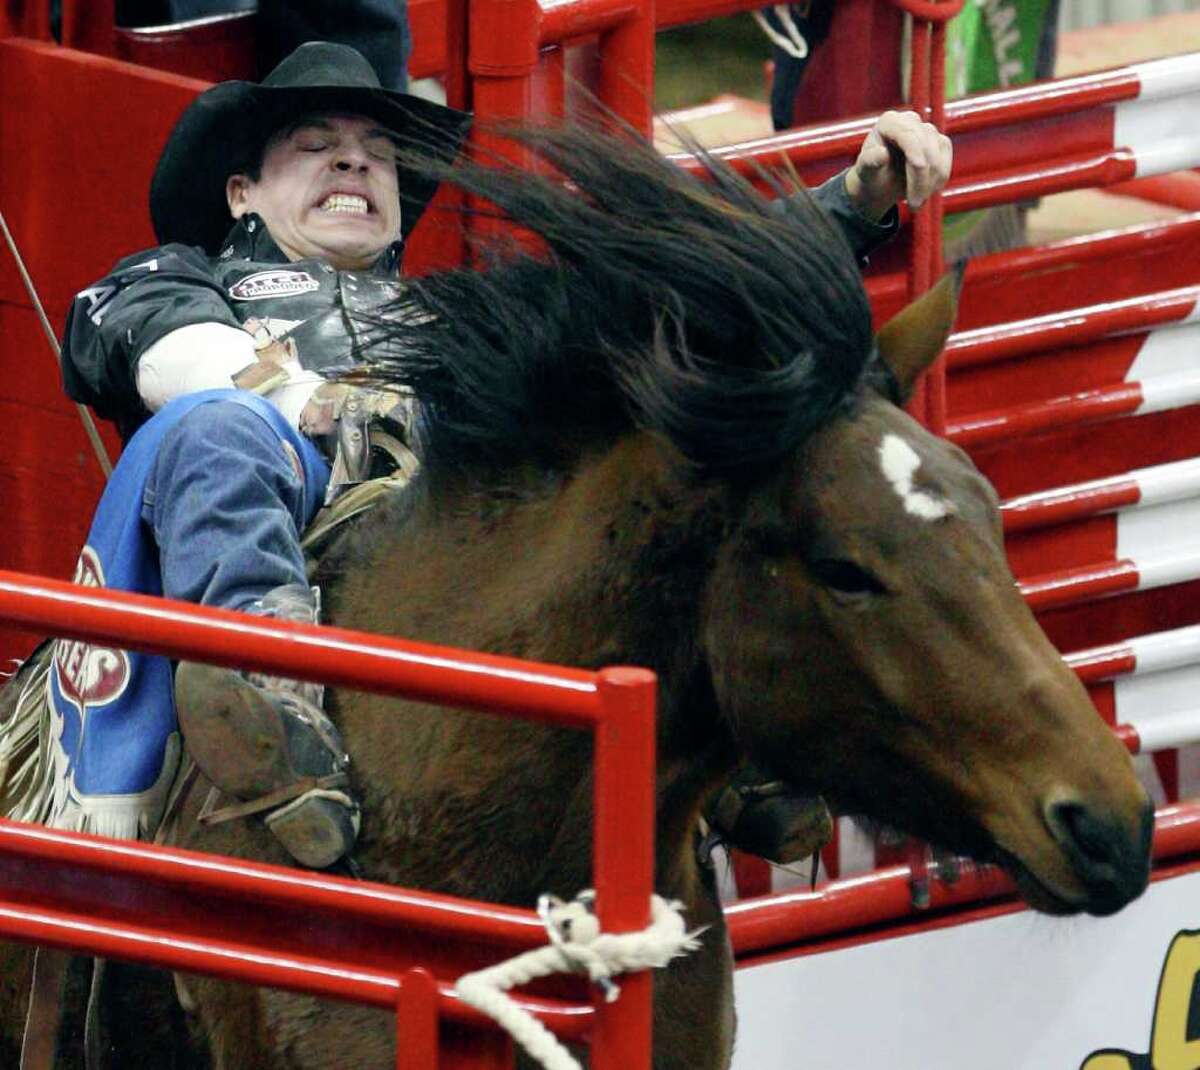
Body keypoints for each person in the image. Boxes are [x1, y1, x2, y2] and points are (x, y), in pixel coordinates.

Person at [59, 42, 951, 870]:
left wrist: (855, 198)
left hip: (464, 539)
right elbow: (157, 346)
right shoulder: (171, 280)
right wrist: (310, 400)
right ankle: (270, 700)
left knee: (652, 440)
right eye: (316, 145)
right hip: (295, 503)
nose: (354, 163)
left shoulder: (461, 321)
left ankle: (716, 730)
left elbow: (671, 302)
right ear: (240, 194)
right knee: (215, 425)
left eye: (378, 154)